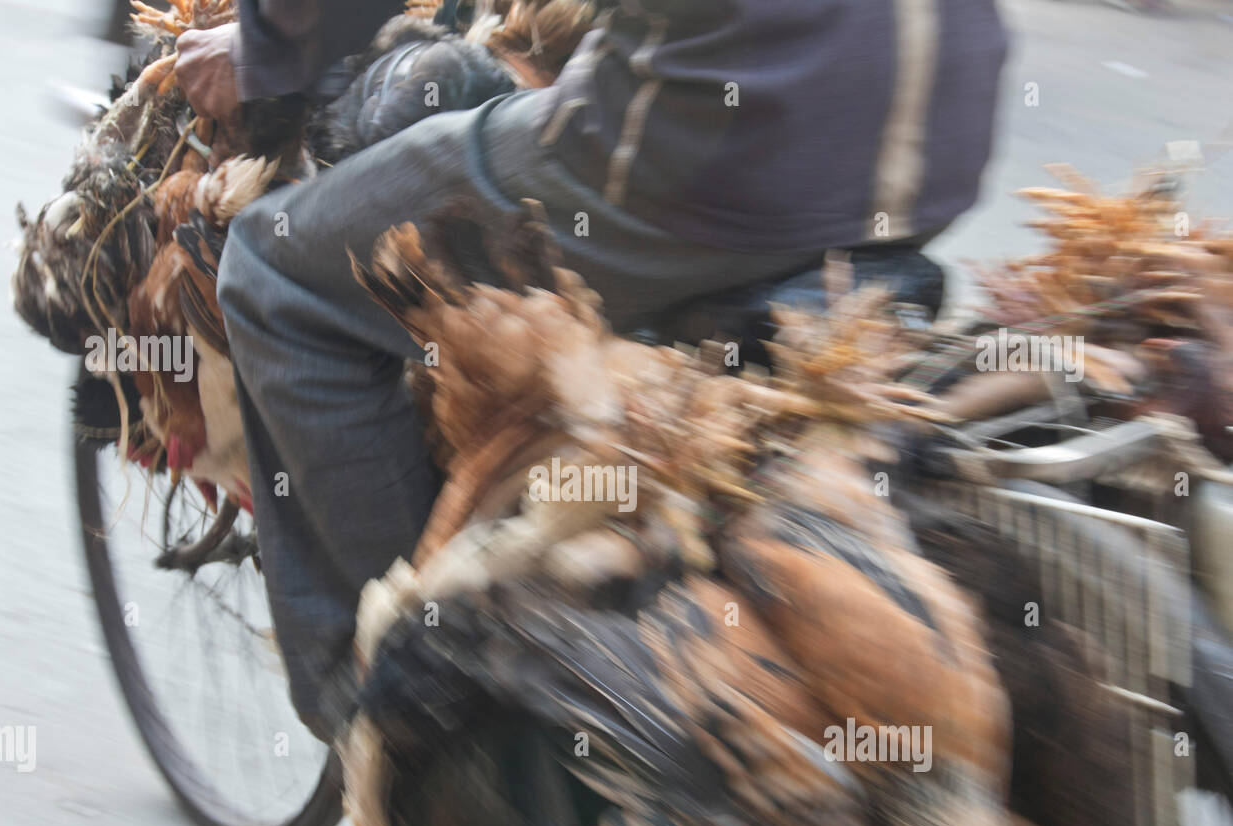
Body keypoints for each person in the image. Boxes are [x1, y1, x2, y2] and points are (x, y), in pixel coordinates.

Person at [177, 0, 1009, 744]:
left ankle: (400, 680)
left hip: (717, 145)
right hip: (934, 143)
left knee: (273, 267)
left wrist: (268, 44)